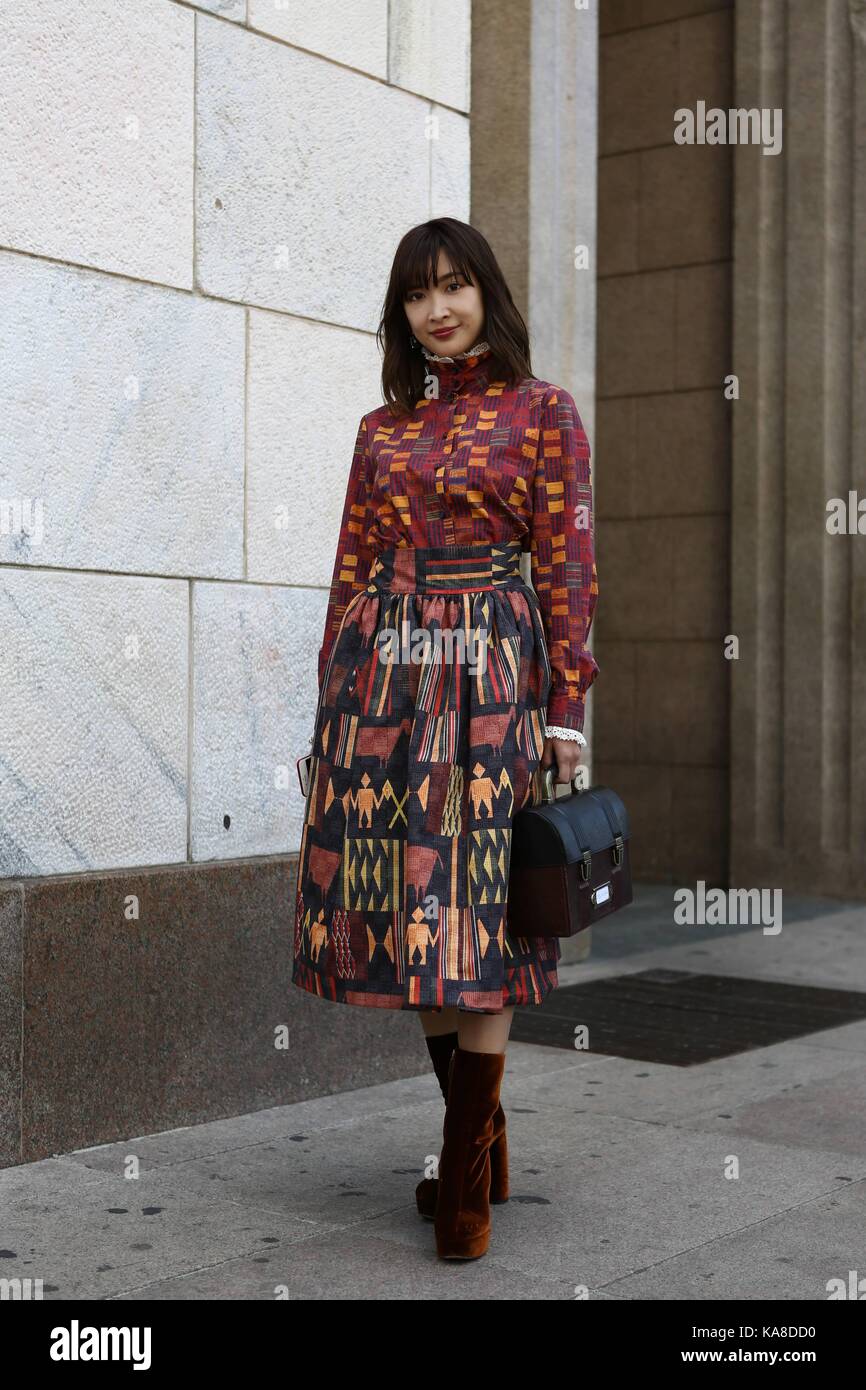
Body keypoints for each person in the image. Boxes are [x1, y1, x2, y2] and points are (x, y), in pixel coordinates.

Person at [292, 216, 599, 1260]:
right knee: (405, 912)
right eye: (419, 293)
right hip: (383, 680)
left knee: (482, 916)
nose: (438, 308)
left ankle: (463, 1182)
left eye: (455, 286)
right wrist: (326, 717)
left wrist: (566, 712)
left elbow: (566, 566)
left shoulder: (543, 413)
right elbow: (349, 572)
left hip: (493, 677)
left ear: (486, 294)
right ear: (402, 312)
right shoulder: (381, 432)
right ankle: (485, 1149)